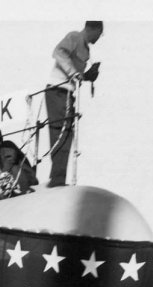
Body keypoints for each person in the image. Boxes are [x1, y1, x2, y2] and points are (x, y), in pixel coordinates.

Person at [45, 21, 103, 186]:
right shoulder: (74, 36)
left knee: (66, 133)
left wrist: (87, 75)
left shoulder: (86, 48)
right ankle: (57, 179)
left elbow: (77, 74)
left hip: (67, 93)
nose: (99, 38)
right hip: (58, 90)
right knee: (61, 132)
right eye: (99, 34)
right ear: (94, 29)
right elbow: (58, 52)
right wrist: (73, 73)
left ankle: (58, 178)